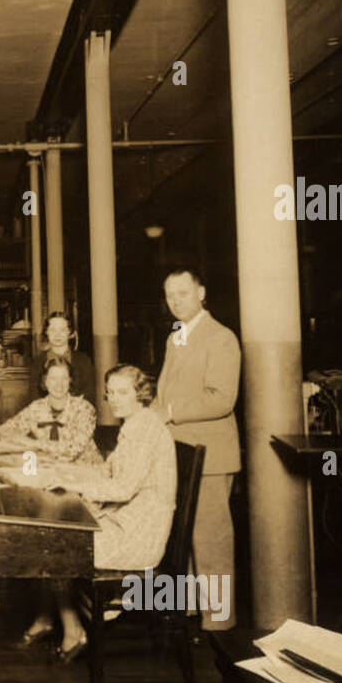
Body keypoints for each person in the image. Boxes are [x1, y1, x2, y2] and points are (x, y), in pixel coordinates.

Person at [21, 364, 177, 662]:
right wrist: (65, 473)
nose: (114, 399)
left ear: (140, 394)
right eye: (110, 392)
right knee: (54, 535)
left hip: (138, 537)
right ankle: (57, 620)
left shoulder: (144, 430)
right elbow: (106, 471)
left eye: (122, 392)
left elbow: (122, 489)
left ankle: (72, 630)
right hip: (125, 523)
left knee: (54, 546)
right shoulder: (135, 425)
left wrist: (71, 482)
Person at [152, 268, 241, 631]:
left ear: (201, 292)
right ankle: (193, 610)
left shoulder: (221, 338)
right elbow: (167, 392)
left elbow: (222, 399)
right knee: (186, 536)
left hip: (212, 456)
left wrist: (169, 412)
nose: (175, 301)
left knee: (212, 541)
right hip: (182, 452)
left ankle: (220, 623)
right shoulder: (177, 338)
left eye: (183, 293)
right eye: (170, 295)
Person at [0, 355, 100, 465]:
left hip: (86, 471)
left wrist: (34, 444)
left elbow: (71, 451)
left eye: (64, 378)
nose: (59, 385)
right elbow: (7, 431)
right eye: (53, 379)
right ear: (45, 382)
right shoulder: (36, 407)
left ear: (70, 381)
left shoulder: (84, 409)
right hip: (51, 470)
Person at [28, 311, 97, 406]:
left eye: (62, 330)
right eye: (53, 330)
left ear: (70, 333)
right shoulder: (38, 362)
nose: (57, 335)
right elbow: (34, 397)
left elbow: (89, 395)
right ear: (46, 332)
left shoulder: (83, 361)